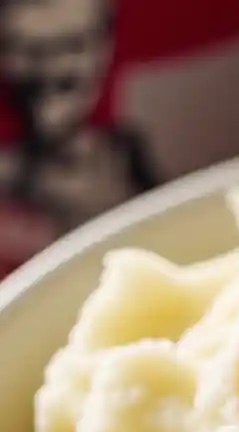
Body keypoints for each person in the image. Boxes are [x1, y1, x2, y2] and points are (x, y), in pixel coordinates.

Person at [0, 0, 158, 272]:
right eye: (32, 52)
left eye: (73, 46)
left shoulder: (124, 154)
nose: (55, 69)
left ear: (106, 47)